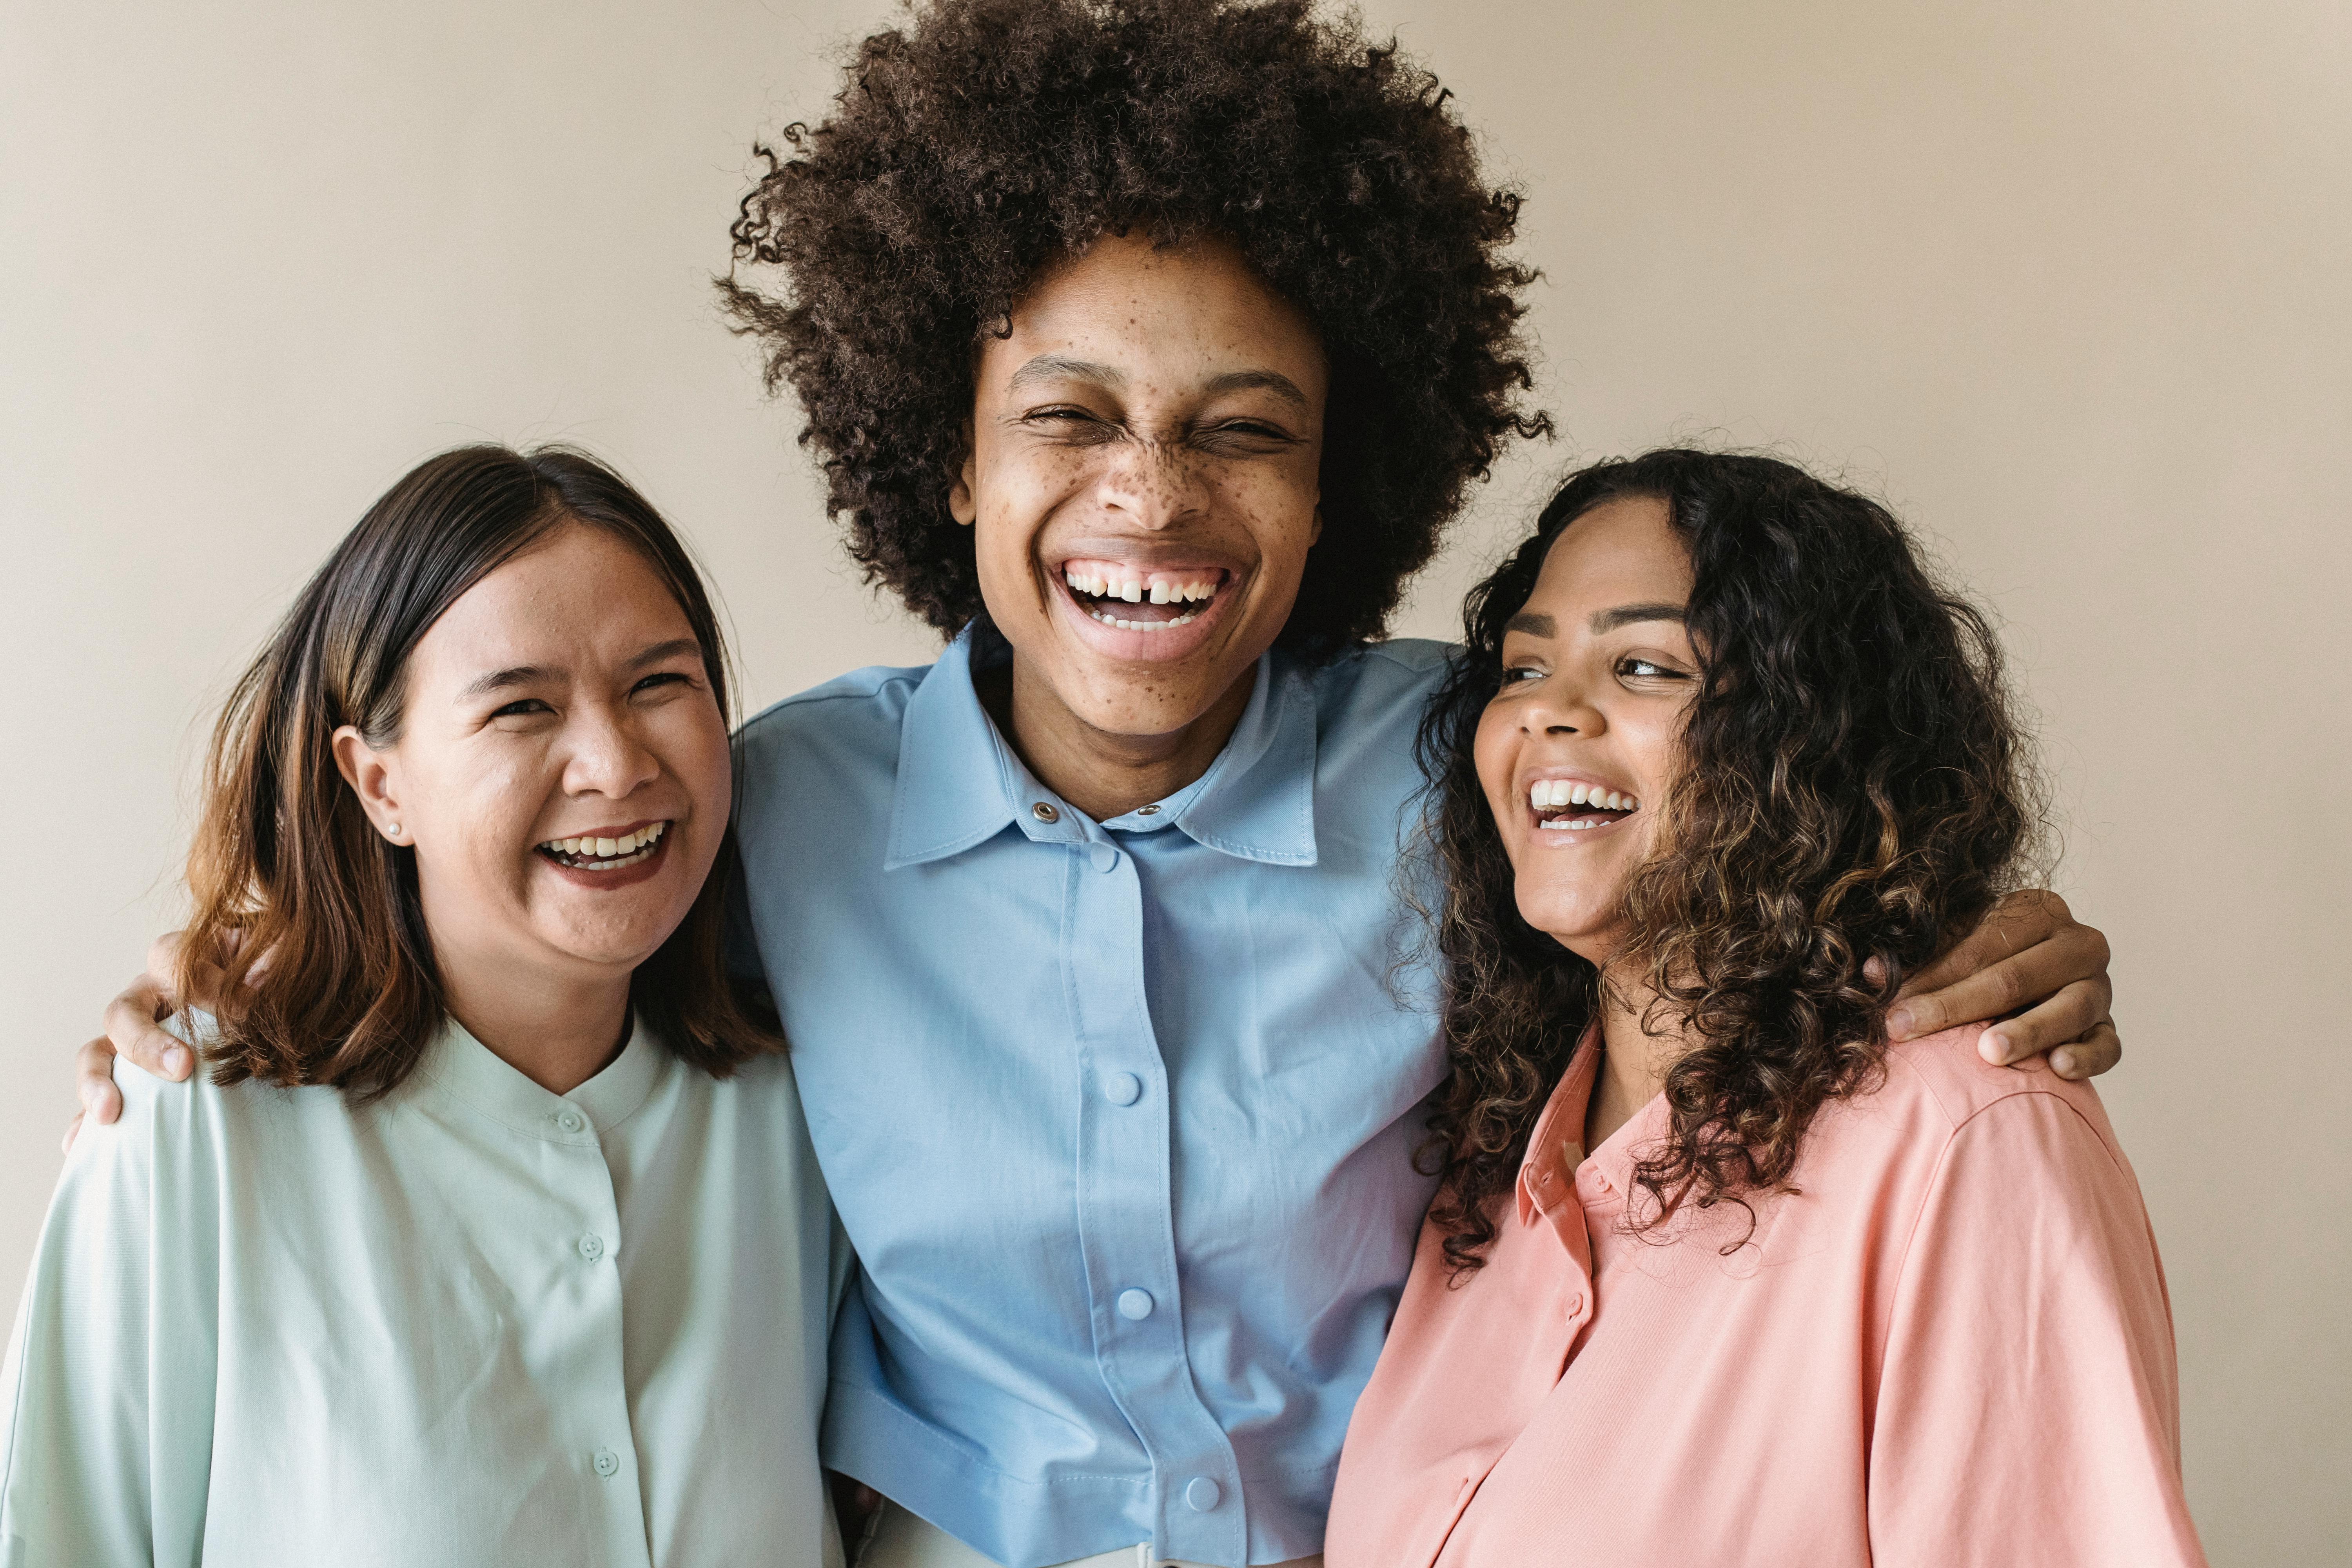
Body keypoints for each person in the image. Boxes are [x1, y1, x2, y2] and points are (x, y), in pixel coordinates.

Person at [73, 5, 2123, 1565]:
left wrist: (1945, 933)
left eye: (1244, 431)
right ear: (953, 460)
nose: (1150, 497)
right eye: (1069, 418)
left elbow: (1714, 852)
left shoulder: (1471, 766)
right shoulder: (770, 815)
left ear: (1339, 499)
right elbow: (510, 914)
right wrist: (221, 970)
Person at [1325, 450, 2204, 1567]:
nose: (1553, 714)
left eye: (1643, 667)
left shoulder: (1962, 1135)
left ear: (1812, 736)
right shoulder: (1495, 1148)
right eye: (1523, 667)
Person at [6, 447, 841, 1567]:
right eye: (521, 707)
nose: (613, 762)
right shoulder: (194, 1129)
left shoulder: (809, 1104)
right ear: (379, 783)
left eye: (659, 684)